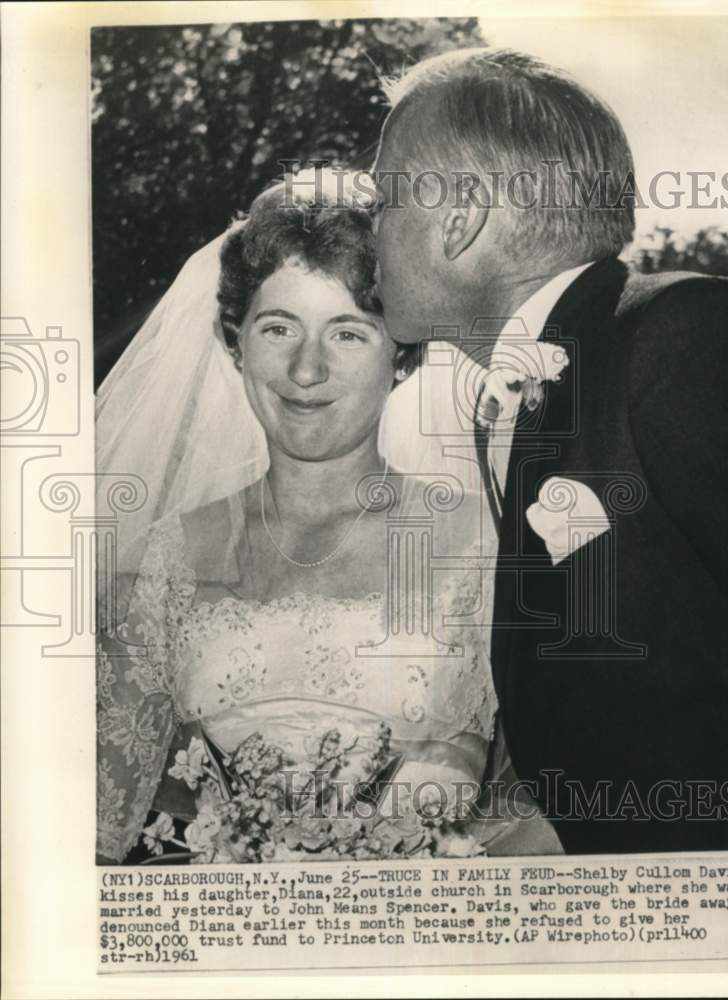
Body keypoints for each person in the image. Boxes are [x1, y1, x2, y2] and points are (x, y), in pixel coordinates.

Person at [95, 172, 562, 863]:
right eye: (277, 327)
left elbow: (546, 806)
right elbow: (112, 833)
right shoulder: (165, 562)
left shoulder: (485, 545)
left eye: (347, 333)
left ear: (401, 357)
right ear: (234, 344)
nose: (306, 369)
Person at [372, 47, 728, 854]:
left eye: (382, 198)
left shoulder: (685, 340)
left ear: (461, 215)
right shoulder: (504, 405)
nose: (367, 229)